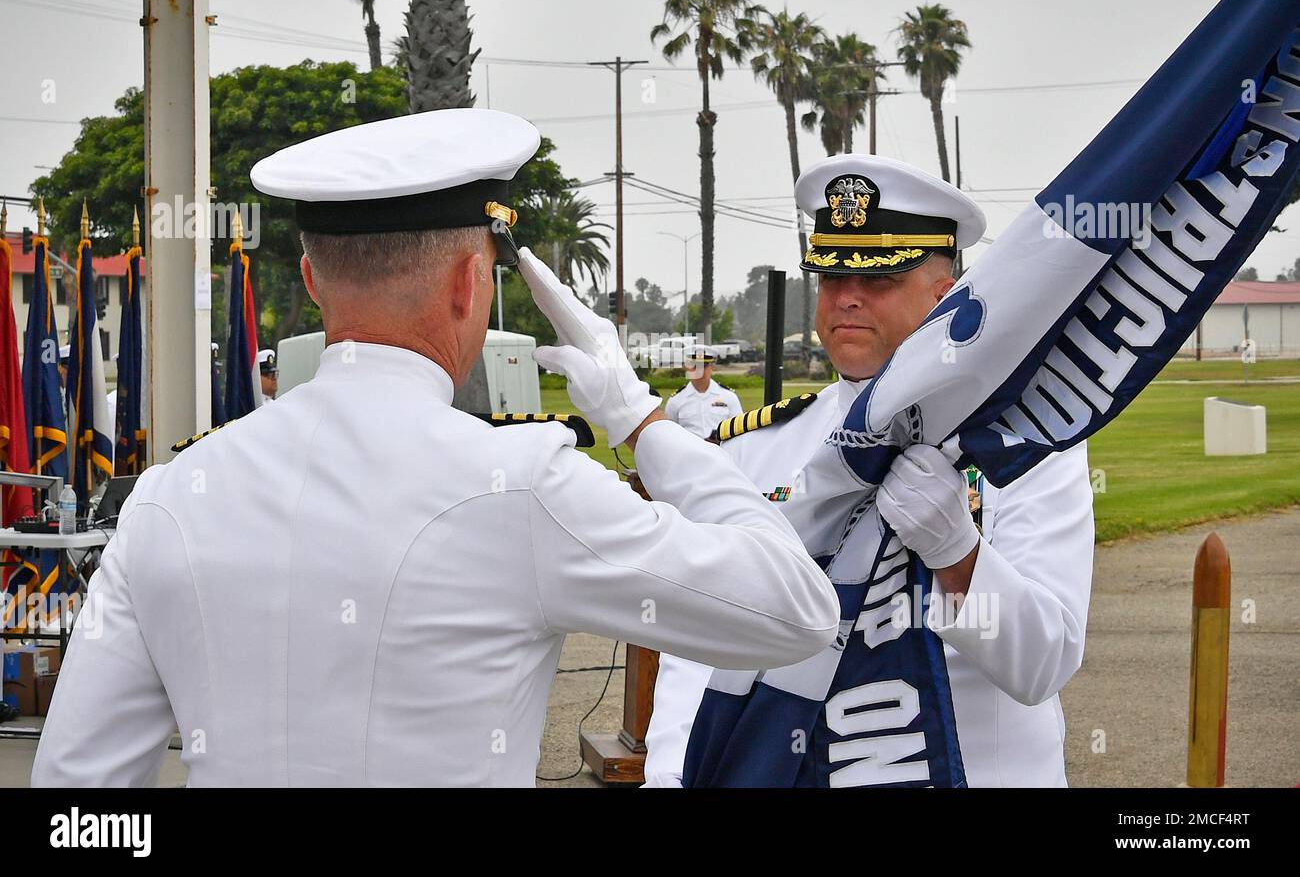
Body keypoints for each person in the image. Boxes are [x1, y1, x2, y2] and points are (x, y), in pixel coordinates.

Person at [32, 108, 838, 787]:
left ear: (312, 282)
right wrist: (642, 425)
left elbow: (75, 793)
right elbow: (795, 610)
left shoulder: (171, 494)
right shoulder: (524, 486)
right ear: (468, 283)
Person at [645, 154, 1095, 788]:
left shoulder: (1026, 446)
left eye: (879, 278)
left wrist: (959, 556)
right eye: (830, 276)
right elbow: (702, 646)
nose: (846, 297)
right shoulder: (755, 451)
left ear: (947, 295)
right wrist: (668, 777)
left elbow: (1044, 664)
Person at [663, 345, 742, 439]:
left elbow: (739, 431)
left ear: (712, 366)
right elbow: (670, 435)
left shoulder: (729, 397)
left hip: (720, 451)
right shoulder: (676, 400)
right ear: (686, 367)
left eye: (704, 366)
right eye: (695, 366)